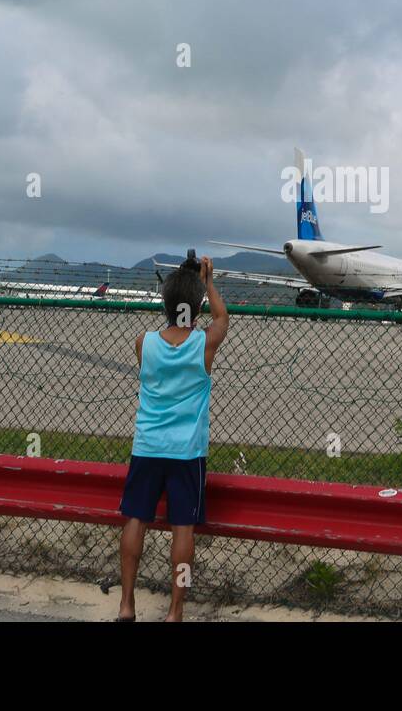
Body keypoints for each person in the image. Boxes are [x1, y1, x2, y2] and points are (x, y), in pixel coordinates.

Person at [117, 255, 228, 622]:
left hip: (147, 446)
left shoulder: (143, 343)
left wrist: (185, 291)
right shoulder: (204, 345)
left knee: (135, 520)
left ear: (165, 304)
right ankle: (174, 611)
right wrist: (207, 281)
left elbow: (175, 324)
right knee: (183, 529)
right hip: (186, 452)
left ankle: (127, 603)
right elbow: (222, 318)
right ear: (196, 306)